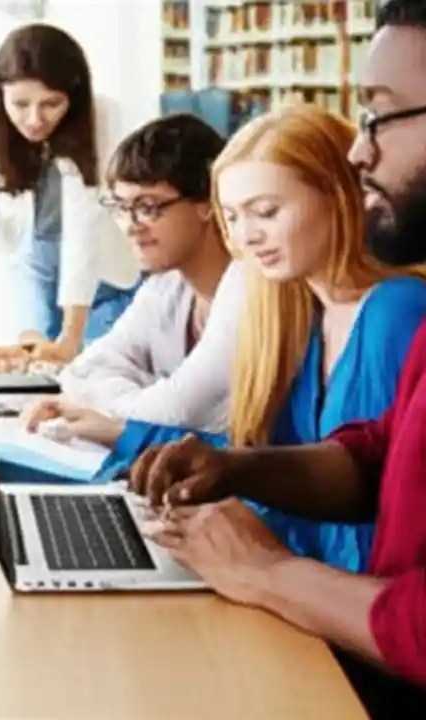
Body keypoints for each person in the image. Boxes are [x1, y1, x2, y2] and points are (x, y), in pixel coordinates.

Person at [132, 3, 426, 711]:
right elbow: (385, 456)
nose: (360, 153)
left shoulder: (395, 310)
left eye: (382, 117)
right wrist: (236, 467)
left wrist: (265, 570)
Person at [109, 104, 426, 576]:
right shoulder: (291, 310)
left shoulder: (395, 311)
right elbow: (273, 463)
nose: (247, 237)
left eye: (267, 212)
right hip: (300, 588)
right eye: (233, 217)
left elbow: (373, 514)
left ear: (338, 195)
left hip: (344, 612)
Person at [20, 114, 242, 447]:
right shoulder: (167, 286)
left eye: (148, 207)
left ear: (208, 203)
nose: (130, 226)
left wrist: (113, 410)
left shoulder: (246, 290)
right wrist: (136, 401)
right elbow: (80, 373)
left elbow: (173, 412)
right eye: (122, 207)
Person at [0, 23, 141, 368]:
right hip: (36, 262)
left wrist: (71, 336)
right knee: (34, 361)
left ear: (74, 95)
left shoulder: (103, 117)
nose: (35, 119)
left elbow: (85, 229)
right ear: (0, 95)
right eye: (20, 104)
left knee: (93, 367)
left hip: (104, 272)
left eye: (51, 104)